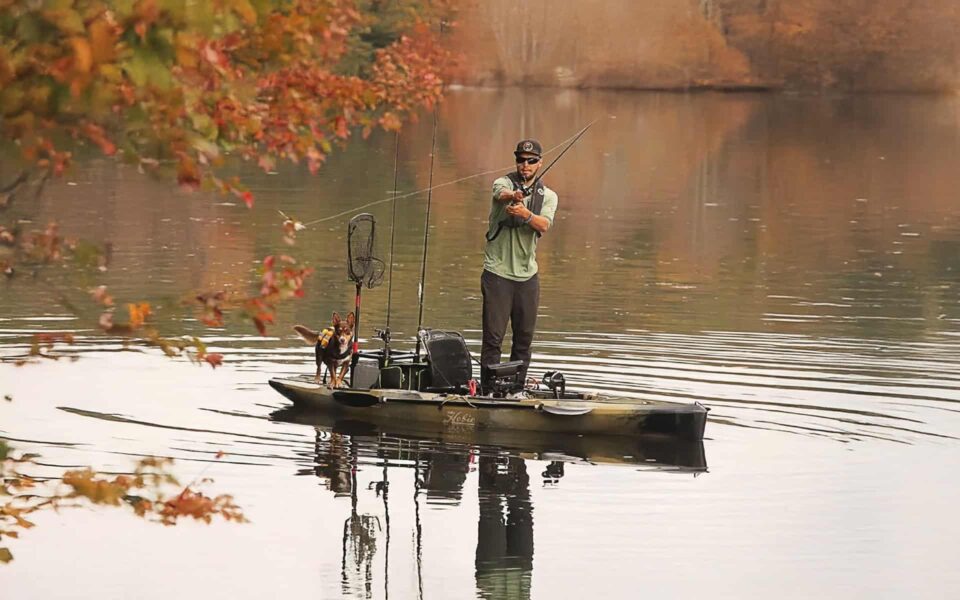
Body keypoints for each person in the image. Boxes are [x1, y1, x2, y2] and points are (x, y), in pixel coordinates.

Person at [480, 139, 558, 393]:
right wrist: (514, 197)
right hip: (497, 273)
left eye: (531, 160)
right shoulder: (502, 183)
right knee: (493, 339)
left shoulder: (549, 196)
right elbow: (499, 194)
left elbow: (544, 225)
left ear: (540, 163)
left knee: (523, 340)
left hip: (528, 277)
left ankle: (516, 390)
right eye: (521, 160)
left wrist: (526, 214)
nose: (525, 165)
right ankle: (488, 390)